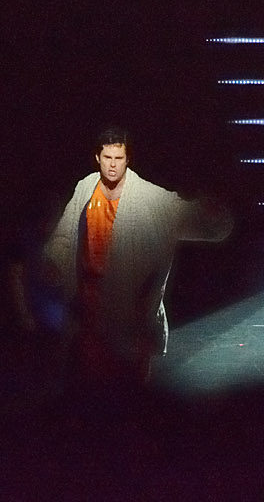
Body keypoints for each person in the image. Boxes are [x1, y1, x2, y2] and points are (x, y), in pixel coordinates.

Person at [42, 126, 233, 382]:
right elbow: (65, 235)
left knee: (128, 384)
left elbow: (198, 221)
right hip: (89, 310)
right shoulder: (86, 187)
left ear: (127, 159)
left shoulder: (151, 199)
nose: (112, 165)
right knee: (89, 384)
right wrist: (55, 261)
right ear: (98, 158)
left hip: (130, 314)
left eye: (118, 158)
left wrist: (213, 213)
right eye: (107, 158)